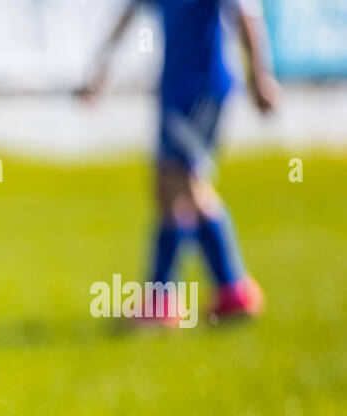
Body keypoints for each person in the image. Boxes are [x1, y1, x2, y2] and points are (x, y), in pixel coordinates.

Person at [80, 0, 279, 324]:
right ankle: (229, 291)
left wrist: (259, 77)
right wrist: (100, 71)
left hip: (201, 88)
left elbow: (245, 14)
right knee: (175, 186)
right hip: (174, 88)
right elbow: (127, 15)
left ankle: (167, 300)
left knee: (181, 183)